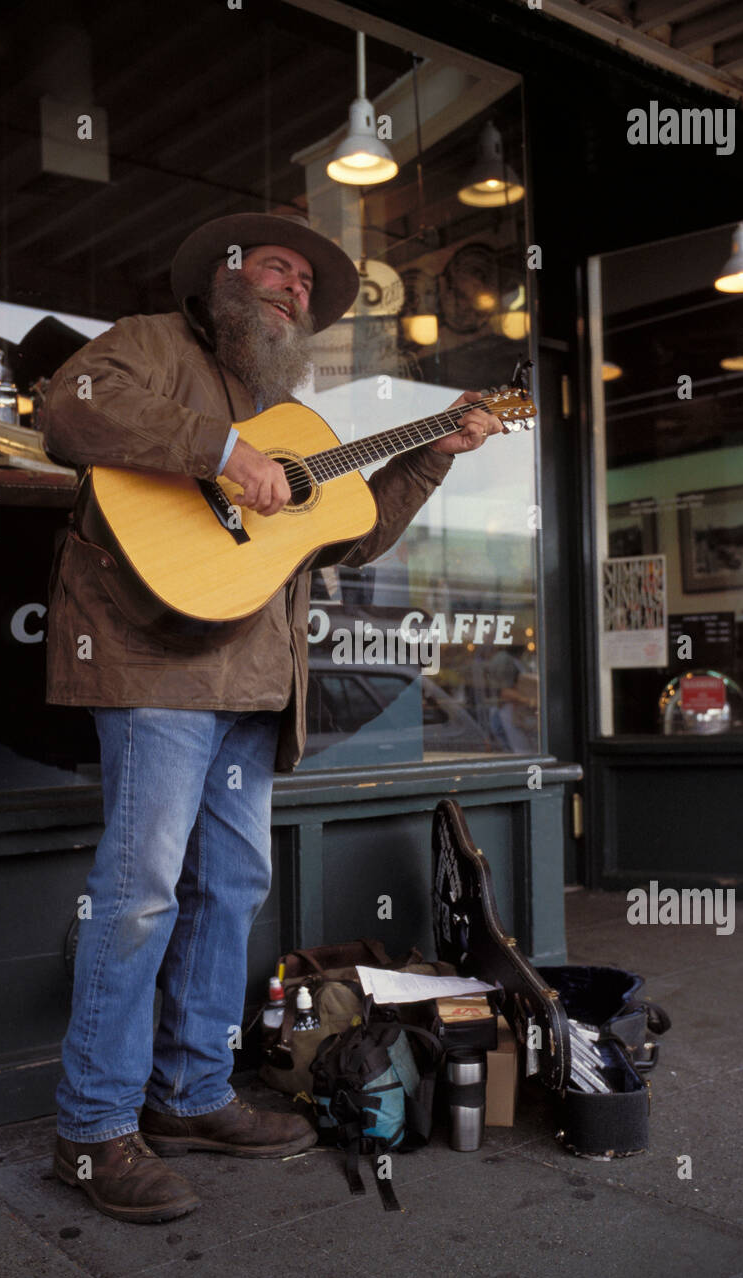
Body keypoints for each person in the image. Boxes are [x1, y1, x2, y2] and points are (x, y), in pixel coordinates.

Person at [42, 209, 503, 1224]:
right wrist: (216, 448)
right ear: (224, 276)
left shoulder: (298, 426)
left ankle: (189, 1094)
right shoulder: (154, 345)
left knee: (230, 889)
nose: (296, 291)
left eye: (309, 286)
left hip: (254, 683)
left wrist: (439, 451)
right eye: (279, 271)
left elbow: (353, 531)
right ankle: (92, 1127)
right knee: (141, 891)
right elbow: (68, 409)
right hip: (156, 661)